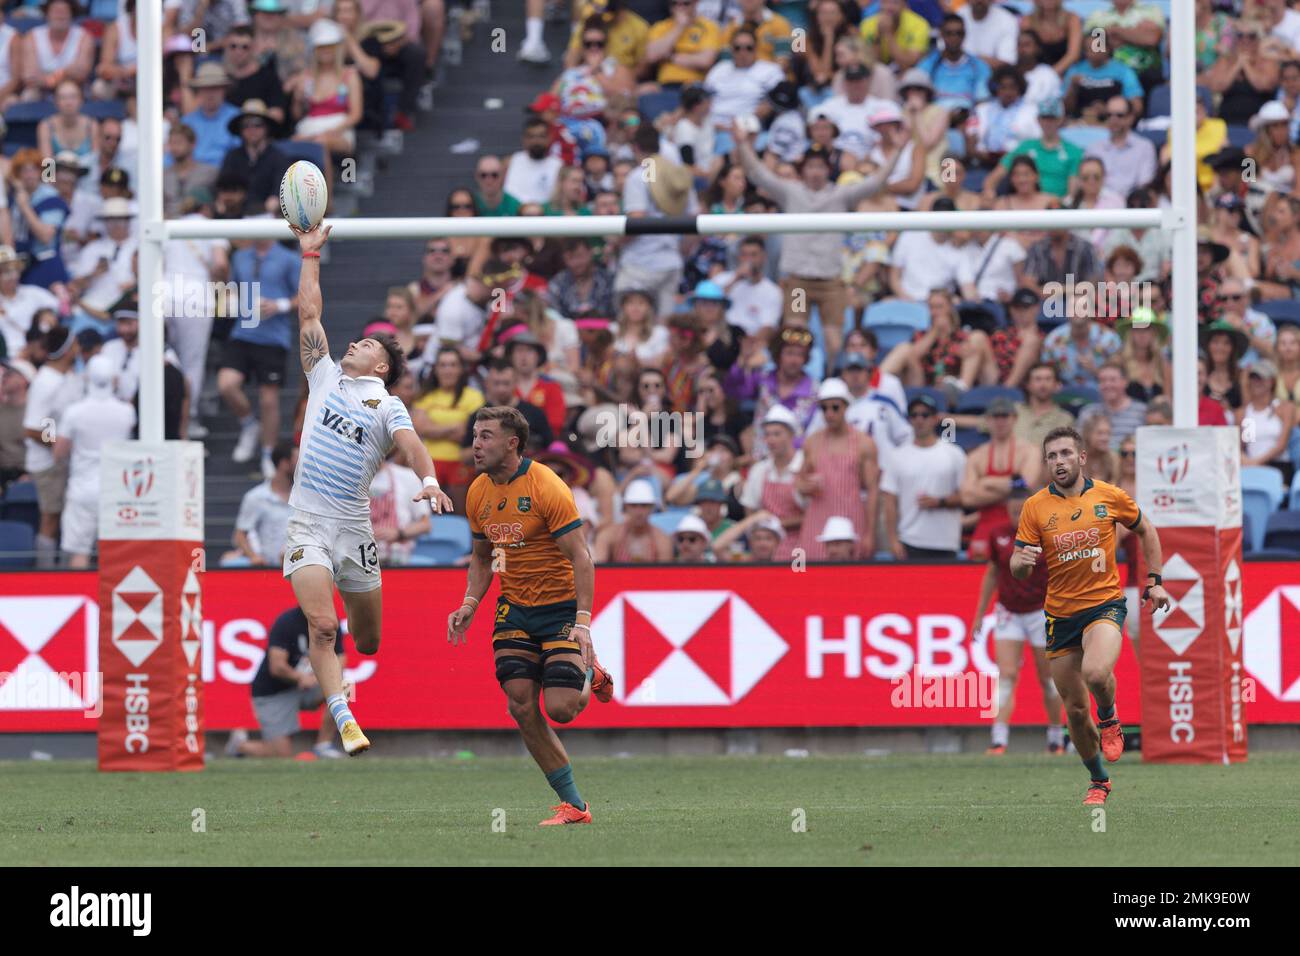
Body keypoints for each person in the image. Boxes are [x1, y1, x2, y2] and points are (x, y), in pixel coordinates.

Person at [284, 222, 452, 757]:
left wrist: (428, 480)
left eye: (366, 343)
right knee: (322, 623)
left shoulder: (388, 406)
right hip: (307, 520)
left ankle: (347, 679)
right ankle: (344, 716)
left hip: (354, 528)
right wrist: (311, 251)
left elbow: (413, 446)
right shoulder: (324, 376)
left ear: (380, 365)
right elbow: (309, 313)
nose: (353, 341)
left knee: (369, 637)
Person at [447, 405, 613, 827]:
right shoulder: (478, 491)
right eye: (475, 434)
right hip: (515, 608)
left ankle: (587, 669)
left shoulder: (547, 487)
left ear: (511, 443)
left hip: (559, 607)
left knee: (560, 709)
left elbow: (582, 558)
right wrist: (469, 603)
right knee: (520, 705)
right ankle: (575, 805)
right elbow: (483, 557)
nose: (476, 444)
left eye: (486, 436)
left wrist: (583, 620)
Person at [1011, 426, 1171, 805]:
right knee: (1076, 711)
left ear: (1081, 458)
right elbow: (1019, 567)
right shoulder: (1035, 507)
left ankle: (1112, 717)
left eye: (1065, 453)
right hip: (1060, 616)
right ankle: (1099, 781)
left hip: (1104, 604)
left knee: (1097, 673)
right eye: (1051, 456)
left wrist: (1156, 581)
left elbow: (1147, 530)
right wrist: (1022, 561)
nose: (1058, 462)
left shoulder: (1109, 496)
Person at [972, 483, 1063, 755]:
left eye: (1021, 511)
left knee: (1047, 679)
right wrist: (979, 614)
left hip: (1040, 612)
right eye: (1012, 511)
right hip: (1009, 611)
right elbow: (991, 574)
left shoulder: (1046, 535)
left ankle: (1055, 737)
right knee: (1007, 675)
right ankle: (998, 739)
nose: (1016, 516)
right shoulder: (998, 534)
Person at [220, 230, 300, 477]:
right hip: (243, 332)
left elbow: (307, 295)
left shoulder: (289, 259)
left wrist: (280, 305)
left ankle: (268, 452)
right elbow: (231, 290)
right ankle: (249, 424)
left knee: (269, 399)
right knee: (226, 385)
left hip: (273, 337)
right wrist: (234, 302)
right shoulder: (241, 257)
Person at [226, 606, 349, 759]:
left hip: (307, 687)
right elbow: (277, 666)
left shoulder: (330, 620)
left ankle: (323, 746)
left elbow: (340, 657)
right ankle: (241, 746)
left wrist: (314, 678)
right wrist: (300, 678)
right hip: (274, 692)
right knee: (280, 754)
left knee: (345, 685)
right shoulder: (287, 622)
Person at [53, 354, 134, 569]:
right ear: (114, 379)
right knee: (117, 552)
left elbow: (58, 451)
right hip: (118, 489)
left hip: (83, 489)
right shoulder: (127, 412)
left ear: (87, 378)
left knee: (79, 552)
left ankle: (80, 594)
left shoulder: (74, 412)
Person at [796, 378, 878, 560]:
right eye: (824, 408)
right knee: (811, 574)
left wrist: (869, 533)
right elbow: (799, 483)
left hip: (851, 517)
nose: (829, 413)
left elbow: (872, 491)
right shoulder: (813, 442)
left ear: (845, 407)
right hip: (818, 517)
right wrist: (805, 487)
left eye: (835, 407)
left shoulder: (864, 443)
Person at [22, 326, 81, 568]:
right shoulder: (46, 382)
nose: (78, 348)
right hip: (48, 464)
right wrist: (58, 443)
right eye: (75, 343)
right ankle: (45, 571)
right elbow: (34, 426)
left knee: (67, 518)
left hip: (68, 462)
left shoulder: (70, 377)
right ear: (67, 349)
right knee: (51, 518)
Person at [882, 394, 967, 560]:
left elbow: (967, 495)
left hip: (946, 541)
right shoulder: (897, 456)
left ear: (935, 419)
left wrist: (940, 501)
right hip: (909, 540)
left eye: (925, 415)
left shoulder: (954, 454)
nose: (919, 420)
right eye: (914, 415)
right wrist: (893, 540)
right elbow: (889, 502)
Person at [961, 397, 1042, 562]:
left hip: (1020, 528)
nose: (1000, 421)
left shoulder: (1029, 450)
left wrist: (986, 483)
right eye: (995, 416)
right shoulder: (977, 456)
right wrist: (1012, 487)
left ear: (1014, 418)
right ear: (987, 420)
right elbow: (967, 497)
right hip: (986, 529)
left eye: (1004, 416)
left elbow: (1026, 486)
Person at [231, 439, 296, 566]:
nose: (302, 466)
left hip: (299, 569)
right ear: (284, 463)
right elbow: (240, 535)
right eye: (297, 461)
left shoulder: (305, 496)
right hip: (268, 571)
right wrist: (254, 557)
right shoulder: (255, 497)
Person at [592, 478, 673, 563]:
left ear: (651, 508)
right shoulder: (608, 536)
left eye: (644, 506)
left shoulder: (662, 539)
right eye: (634, 506)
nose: (639, 512)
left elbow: (665, 574)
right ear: (625, 507)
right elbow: (599, 568)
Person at [1078, 360, 1147, 449]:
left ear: (1125, 382)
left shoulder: (1142, 411)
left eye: (1113, 380)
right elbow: (1079, 447)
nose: (1107, 385)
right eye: (1102, 380)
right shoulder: (1088, 412)